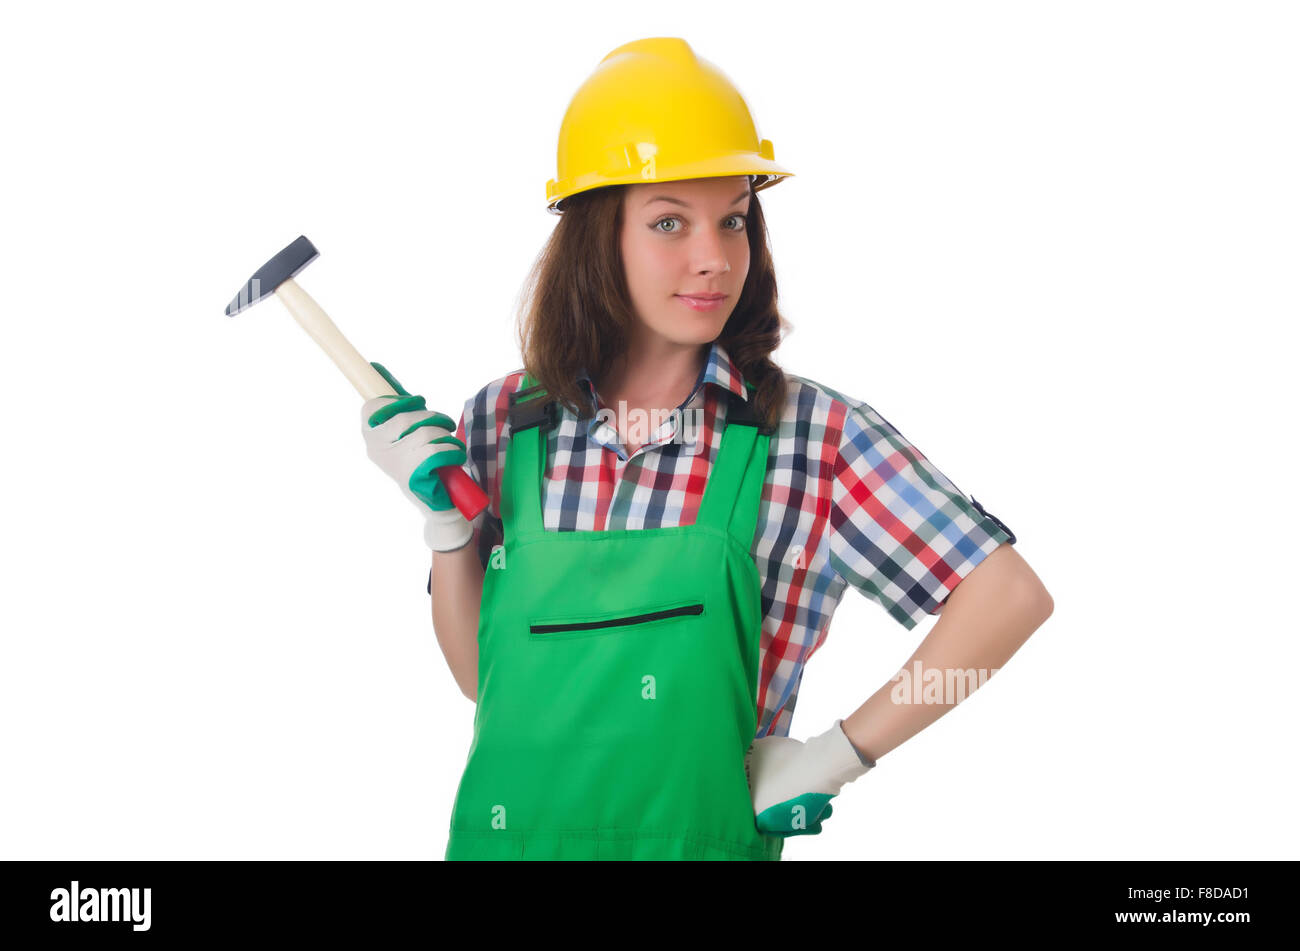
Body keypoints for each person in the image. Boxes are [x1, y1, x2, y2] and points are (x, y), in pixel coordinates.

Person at [360, 37, 1053, 861]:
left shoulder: (810, 437)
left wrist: (838, 755)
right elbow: (486, 680)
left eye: (732, 219)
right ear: (596, 239)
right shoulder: (506, 420)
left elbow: (1009, 598)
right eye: (667, 222)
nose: (713, 258)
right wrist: (443, 527)